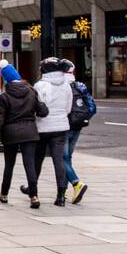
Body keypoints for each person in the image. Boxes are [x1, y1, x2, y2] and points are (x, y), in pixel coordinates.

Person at [0, 59, 48, 209]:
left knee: (9, 165)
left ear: (6, 80)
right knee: (30, 165)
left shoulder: (4, 97)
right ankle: (34, 196)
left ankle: (4, 194)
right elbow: (43, 112)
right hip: (30, 133)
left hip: (10, 134)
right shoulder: (31, 91)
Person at [31, 56, 74, 207]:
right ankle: (61, 196)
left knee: (38, 159)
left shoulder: (39, 85)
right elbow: (68, 109)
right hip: (61, 127)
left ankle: (33, 190)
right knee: (59, 160)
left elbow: (37, 108)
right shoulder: (66, 85)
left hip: (42, 127)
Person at [62, 61, 96, 204]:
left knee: (61, 158)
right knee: (67, 158)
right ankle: (62, 191)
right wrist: (82, 118)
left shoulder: (60, 87)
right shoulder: (80, 86)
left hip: (64, 126)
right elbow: (92, 107)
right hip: (78, 126)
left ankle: (76, 183)